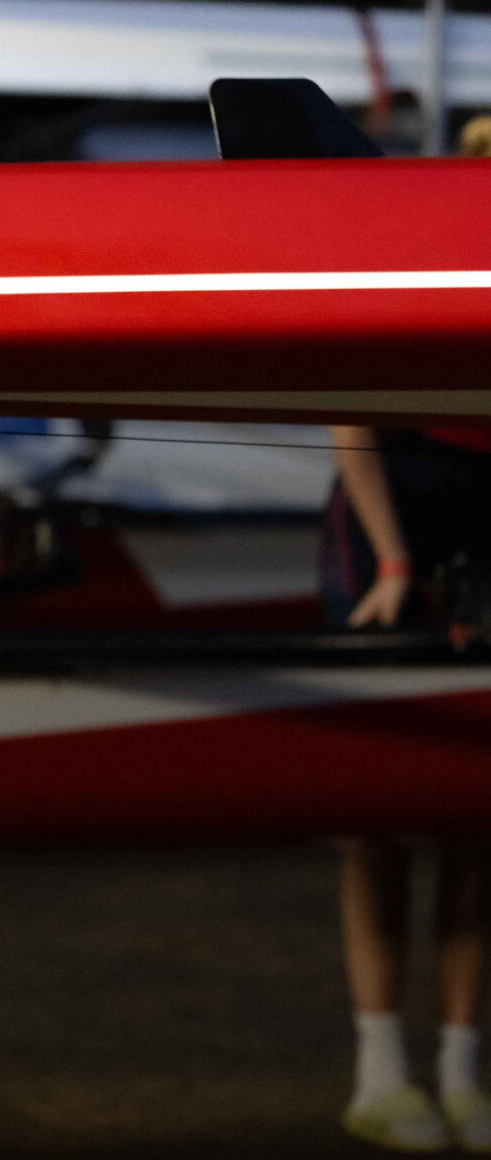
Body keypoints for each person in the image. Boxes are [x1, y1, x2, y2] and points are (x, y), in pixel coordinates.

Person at [326, 419, 491, 1152]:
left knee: (479, 811)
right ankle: (380, 1074)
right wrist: (393, 563)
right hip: (384, 504)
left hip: (479, 502)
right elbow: (349, 414)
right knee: (375, 812)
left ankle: (462, 1072)